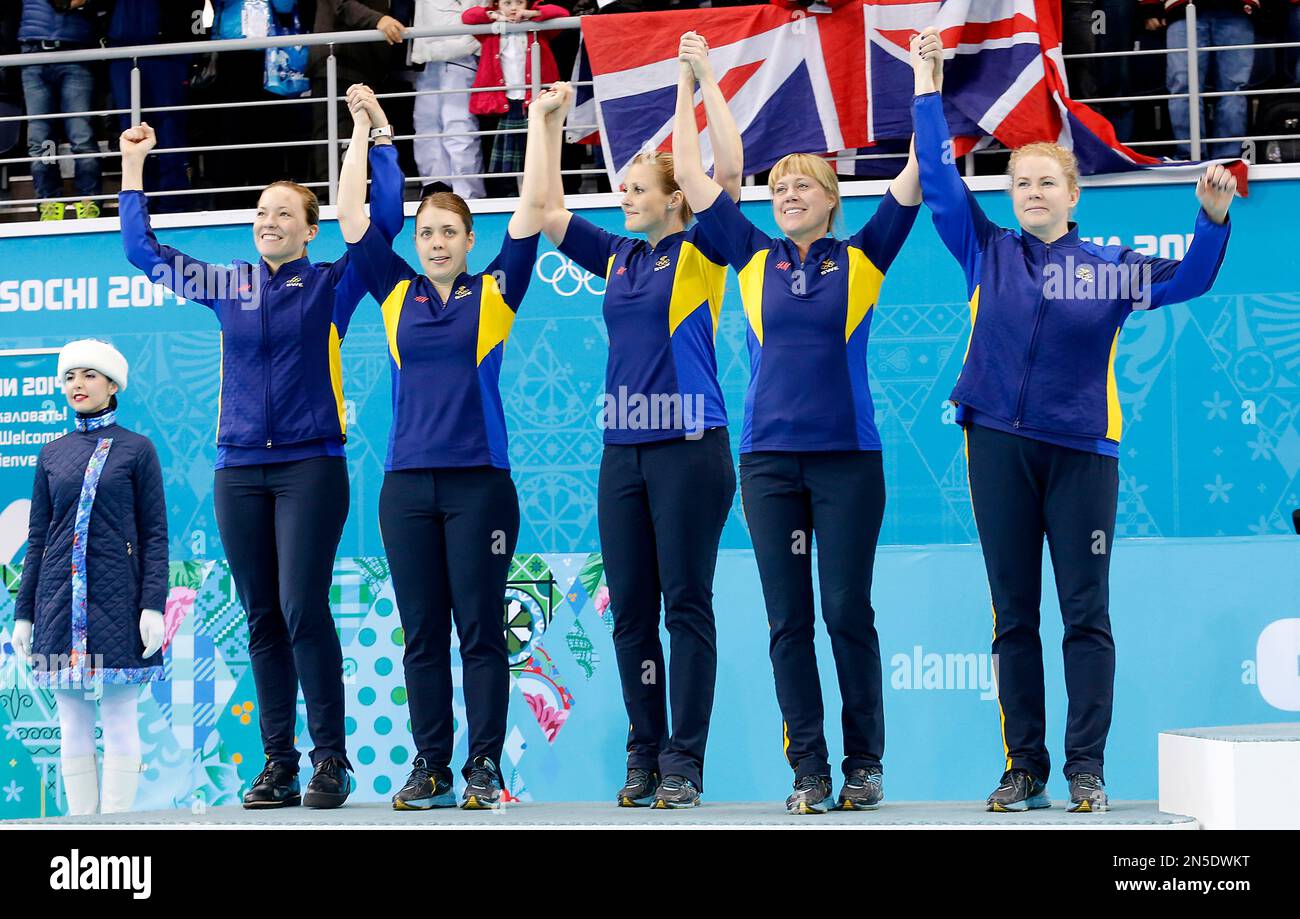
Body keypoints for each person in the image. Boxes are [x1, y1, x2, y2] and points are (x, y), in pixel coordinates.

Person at [911, 26, 1234, 812]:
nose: (1030, 193)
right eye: (1020, 182)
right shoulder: (983, 251)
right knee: (1013, 614)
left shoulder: (1112, 269)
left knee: (1085, 613)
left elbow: (1190, 280)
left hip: (1083, 455)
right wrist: (927, 81)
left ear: (1073, 194)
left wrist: (1212, 220)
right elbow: (942, 183)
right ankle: (1025, 765)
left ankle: (1085, 767)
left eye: (1045, 182)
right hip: (995, 445)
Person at [116, 118, 403, 809]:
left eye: (284, 214)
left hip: (312, 466)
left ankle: (330, 758)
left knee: (303, 606)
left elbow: (386, 221)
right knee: (261, 616)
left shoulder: (334, 284)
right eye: (261, 213)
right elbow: (141, 250)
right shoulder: (227, 284)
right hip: (237, 470)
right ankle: (279, 763)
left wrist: (381, 142)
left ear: (311, 229)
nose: (269, 221)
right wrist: (131, 170)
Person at [673, 31, 923, 814]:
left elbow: (919, 175)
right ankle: (808, 768)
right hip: (770, 465)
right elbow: (691, 170)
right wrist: (697, 80)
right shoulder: (749, 256)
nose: (785, 196)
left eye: (801, 186)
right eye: (778, 187)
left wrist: (923, 78)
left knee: (847, 610)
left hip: (849, 462)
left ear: (831, 198)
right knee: (789, 620)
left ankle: (864, 764)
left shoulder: (866, 256)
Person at [336, 81, 547, 809]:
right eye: (425, 232)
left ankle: (482, 768)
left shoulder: (494, 293)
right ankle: (429, 765)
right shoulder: (394, 291)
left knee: (479, 628)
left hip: (479, 486)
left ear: (467, 240)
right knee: (421, 633)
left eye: (448, 232)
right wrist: (365, 129)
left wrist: (543, 123)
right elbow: (350, 217)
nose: (434, 242)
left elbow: (528, 217)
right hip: (406, 488)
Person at [538, 54, 738, 809]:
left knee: (684, 604)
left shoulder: (703, 251)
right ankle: (645, 750)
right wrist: (549, 124)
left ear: (674, 200)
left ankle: (685, 758)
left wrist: (693, 87)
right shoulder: (618, 255)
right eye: (621, 188)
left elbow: (712, 169)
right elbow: (548, 212)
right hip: (623, 452)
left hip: (691, 448)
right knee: (630, 611)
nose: (623, 196)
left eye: (636, 189)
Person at [13, 339, 167, 815]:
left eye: (89, 375)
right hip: (58, 604)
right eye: (69, 377)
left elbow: (155, 535)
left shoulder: (137, 450)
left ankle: (117, 827)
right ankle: (80, 826)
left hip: (118, 604)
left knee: (121, 718)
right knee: (71, 721)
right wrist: (23, 615)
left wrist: (152, 605)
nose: (77, 385)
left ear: (112, 384)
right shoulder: (51, 454)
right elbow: (37, 538)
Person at [107, 0, 206, 213]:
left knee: (170, 127)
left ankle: (173, 202)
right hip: (121, 52)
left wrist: (192, 49)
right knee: (130, 130)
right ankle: (140, 200)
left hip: (168, 52)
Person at [462, 0, 567, 194]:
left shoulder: (537, 28)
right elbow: (468, 17)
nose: (513, 8)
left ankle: (536, 197)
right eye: (507, 2)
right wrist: (493, 16)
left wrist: (532, 15)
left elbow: (561, 13)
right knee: (505, 163)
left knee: (536, 155)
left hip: (534, 99)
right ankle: (509, 199)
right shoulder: (490, 31)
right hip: (504, 102)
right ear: (497, 5)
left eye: (519, 2)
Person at [18, 0, 104, 220]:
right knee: (41, 139)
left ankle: (89, 202)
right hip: (32, 54)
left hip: (76, 54)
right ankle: (48, 202)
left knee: (81, 136)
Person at [410, 0, 485, 199]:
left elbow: (478, 16)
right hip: (428, 59)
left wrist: (466, 45)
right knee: (426, 128)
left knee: (458, 126)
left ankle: (468, 194)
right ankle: (436, 190)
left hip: (460, 57)